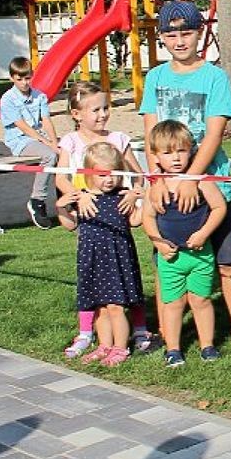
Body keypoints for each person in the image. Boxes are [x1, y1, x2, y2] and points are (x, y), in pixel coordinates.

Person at [140, 0, 231, 355]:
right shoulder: (156, 78)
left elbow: (212, 134)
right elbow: (150, 133)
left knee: (227, 261)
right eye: (171, 34)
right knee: (169, 261)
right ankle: (168, 334)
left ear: (200, 34)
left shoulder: (214, 77)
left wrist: (192, 178)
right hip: (165, 189)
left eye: (187, 32)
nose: (179, 40)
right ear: (162, 37)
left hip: (210, 186)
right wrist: (157, 180)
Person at [54, 81, 155, 358]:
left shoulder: (118, 139)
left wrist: (134, 194)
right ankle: (91, 335)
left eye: (105, 108)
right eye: (95, 109)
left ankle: (137, 329)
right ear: (76, 114)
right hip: (89, 213)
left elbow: (137, 174)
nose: (102, 114)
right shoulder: (71, 142)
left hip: (115, 212)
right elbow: (60, 176)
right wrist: (79, 195)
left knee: (125, 277)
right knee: (93, 281)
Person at [140, 121, 226, 368]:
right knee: (174, 303)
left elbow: (219, 208)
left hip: (200, 255)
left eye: (181, 150)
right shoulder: (156, 185)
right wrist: (158, 242)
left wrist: (203, 234)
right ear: (155, 156)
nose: (176, 158)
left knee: (201, 300)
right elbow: (147, 218)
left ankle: (208, 346)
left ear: (191, 150)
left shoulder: (200, 180)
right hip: (170, 257)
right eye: (168, 153)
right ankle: (173, 349)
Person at [54, 142, 145, 368]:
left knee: (115, 306)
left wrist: (143, 199)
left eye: (114, 173)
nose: (109, 179)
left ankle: (120, 347)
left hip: (117, 258)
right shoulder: (82, 197)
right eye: (103, 174)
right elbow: (69, 225)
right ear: (88, 173)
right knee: (100, 307)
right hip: (92, 258)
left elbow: (135, 221)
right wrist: (61, 207)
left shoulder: (122, 197)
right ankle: (104, 345)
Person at [0, 56, 58, 229]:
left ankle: (66, 201)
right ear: (11, 78)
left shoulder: (40, 96)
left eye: (27, 78)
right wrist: (48, 144)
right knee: (49, 155)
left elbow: (46, 120)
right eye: (19, 79)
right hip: (20, 141)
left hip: (38, 137)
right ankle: (37, 200)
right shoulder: (8, 99)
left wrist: (54, 141)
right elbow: (23, 127)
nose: (24, 83)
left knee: (65, 150)